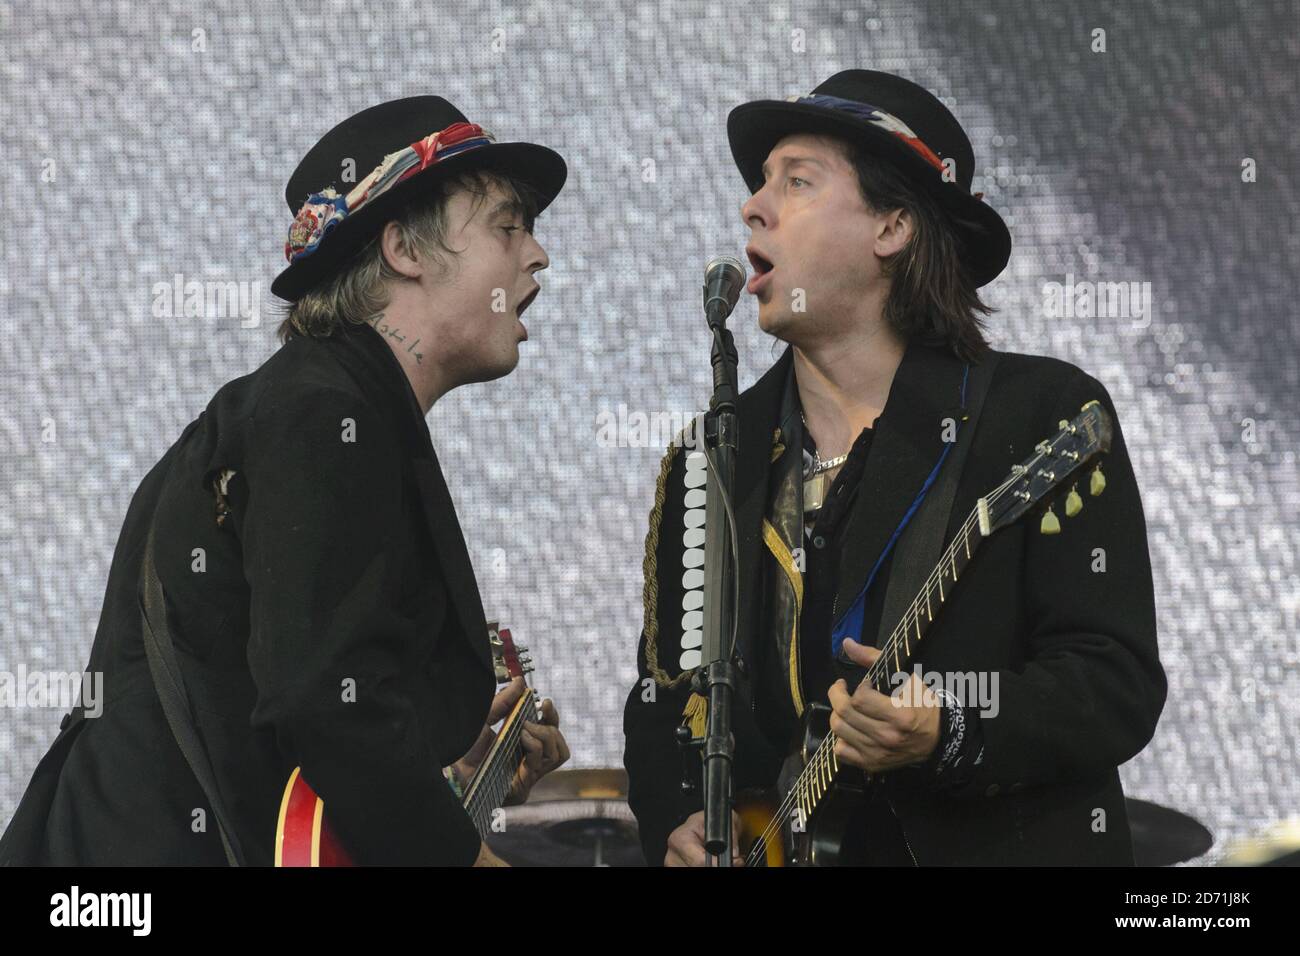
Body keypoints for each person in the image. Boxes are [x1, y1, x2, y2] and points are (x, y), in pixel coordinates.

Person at [1, 95, 570, 866]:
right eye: (509, 225)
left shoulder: (304, 404)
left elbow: (290, 716)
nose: (536, 254)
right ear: (403, 248)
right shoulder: (322, 412)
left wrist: (452, 776)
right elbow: (323, 702)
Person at [623, 70, 1166, 866]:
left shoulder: (1041, 415)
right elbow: (664, 701)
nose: (754, 204)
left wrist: (950, 726)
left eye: (798, 180)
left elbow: (1113, 685)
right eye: (760, 182)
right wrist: (676, 817)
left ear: (893, 227)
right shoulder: (713, 456)